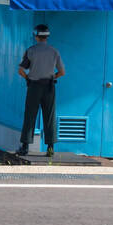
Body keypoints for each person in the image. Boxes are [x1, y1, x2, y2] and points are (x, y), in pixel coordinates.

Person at [16, 23, 65, 156]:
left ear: (36, 36)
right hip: (49, 86)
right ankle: (50, 148)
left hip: (34, 86)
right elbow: (62, 72)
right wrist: (52, 76)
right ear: (47, 36)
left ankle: (25, 147)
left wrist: (27, 78)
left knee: (30, 115)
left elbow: (21, 70)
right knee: (49, 116)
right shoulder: (54, 51)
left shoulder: (31, 51)